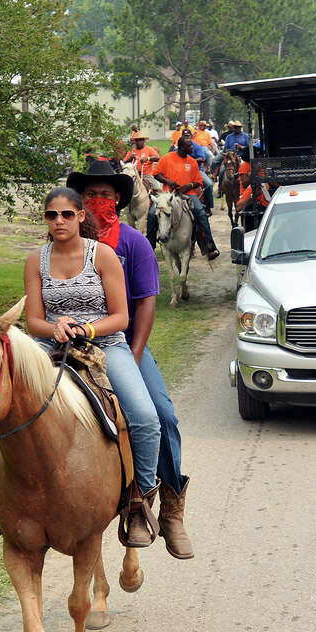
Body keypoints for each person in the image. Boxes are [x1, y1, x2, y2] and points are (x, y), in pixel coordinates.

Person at [0, 186, 162, 543]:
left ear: (80, 216)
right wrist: (57, 326)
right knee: (1, 399)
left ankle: (141, 500)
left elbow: (122, 317)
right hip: (50, 343)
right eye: (51, 215)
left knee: (146, 417)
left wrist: (86, 327)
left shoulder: (103, 256)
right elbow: (34, 321)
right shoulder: (36, 260)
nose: (58, 221)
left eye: (66, 214)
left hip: (105, 344)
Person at [72, 161, 194, 558]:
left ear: (120, 200)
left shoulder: (133, 243)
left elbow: (145, 304)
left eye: (106, 195)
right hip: (70, 345)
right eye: (91, 195)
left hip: (123, 345)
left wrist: (134, 355)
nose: (97, 201)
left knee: (161, 414)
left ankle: (169, 506)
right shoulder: (63, 243)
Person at [149, 134, 220, 260]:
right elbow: (156, 174)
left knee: (201, 213)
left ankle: (210, 246)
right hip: (168, 194)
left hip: (188, 194)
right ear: (181, 147)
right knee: (152, 213)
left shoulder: (192, 162)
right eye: (189, 145)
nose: (192, 147)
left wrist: (189, 185)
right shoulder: (167, 158)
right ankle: (149, 247)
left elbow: (199, 181)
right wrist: (169, 182)